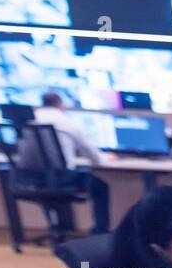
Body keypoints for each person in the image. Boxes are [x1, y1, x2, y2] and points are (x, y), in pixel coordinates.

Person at [19, 92, 111, 233]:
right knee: (101, 187)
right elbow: (94, 157)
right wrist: (106, 158)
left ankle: (57, 229)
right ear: (60, 105)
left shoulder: (27, 122)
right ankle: (100, 231)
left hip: (33, 180)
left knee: (49, 189)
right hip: (63, 179)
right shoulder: (68, 123)